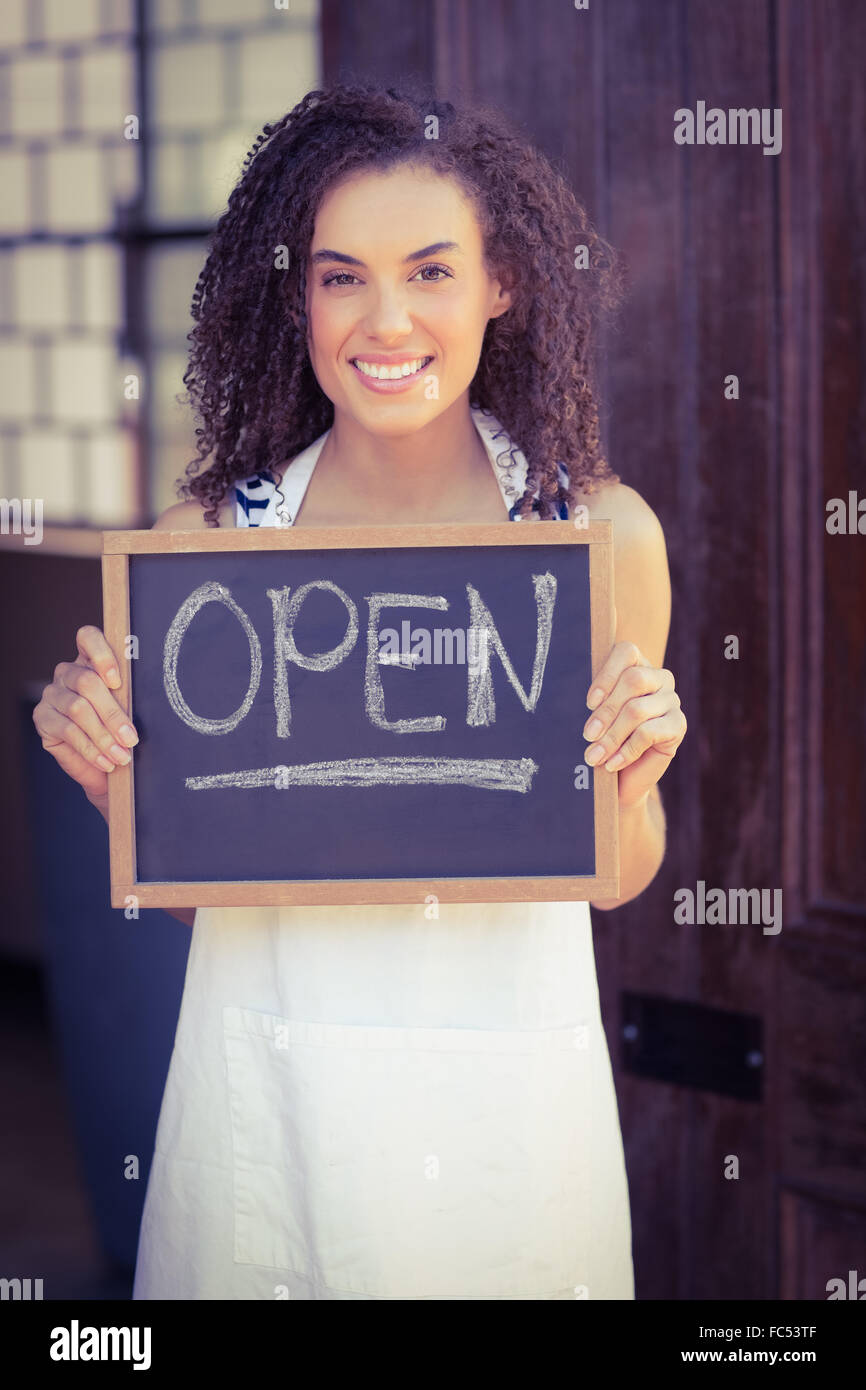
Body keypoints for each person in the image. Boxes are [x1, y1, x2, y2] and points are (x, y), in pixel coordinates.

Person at [32, 82, 686, 1300]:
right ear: (296, 294)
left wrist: (636, 778)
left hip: (508, 1118)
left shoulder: (596, 538)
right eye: (341, 276)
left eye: (430, 271)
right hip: (268, 1104)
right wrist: (114, 779)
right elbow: (199, 894)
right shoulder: (204, 551)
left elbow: (611, 867)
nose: (384, 320)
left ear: (503, 284)